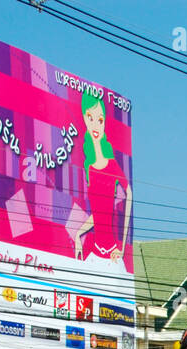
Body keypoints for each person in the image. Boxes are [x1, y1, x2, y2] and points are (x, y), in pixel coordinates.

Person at [71, 92, 131, 274]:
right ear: (84, 119)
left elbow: (129, 195)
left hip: (113, 254)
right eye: (90, 118)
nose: (95, 124)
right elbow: (97, 216)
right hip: (95, 253)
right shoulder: (88, 166)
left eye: (100, 119)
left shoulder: (112, 165)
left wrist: (121, 246)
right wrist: (77, 234)